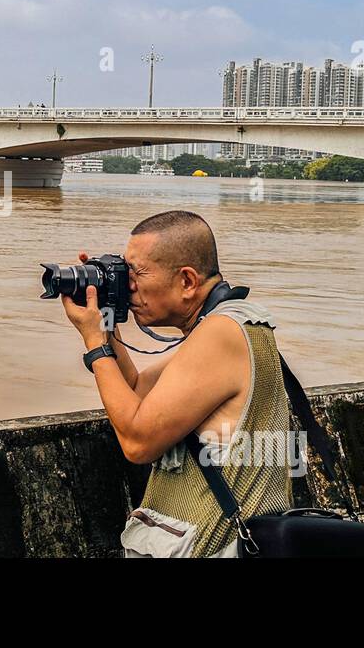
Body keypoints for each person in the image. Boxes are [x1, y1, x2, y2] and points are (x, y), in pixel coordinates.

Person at [59, 210, 292, 557]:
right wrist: (107, 320)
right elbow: (136, 391)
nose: (131, 285)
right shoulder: (237, 326)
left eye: (136, 274)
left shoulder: (221, 334)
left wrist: (95, 345)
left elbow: (138, 442)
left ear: (186, 281)